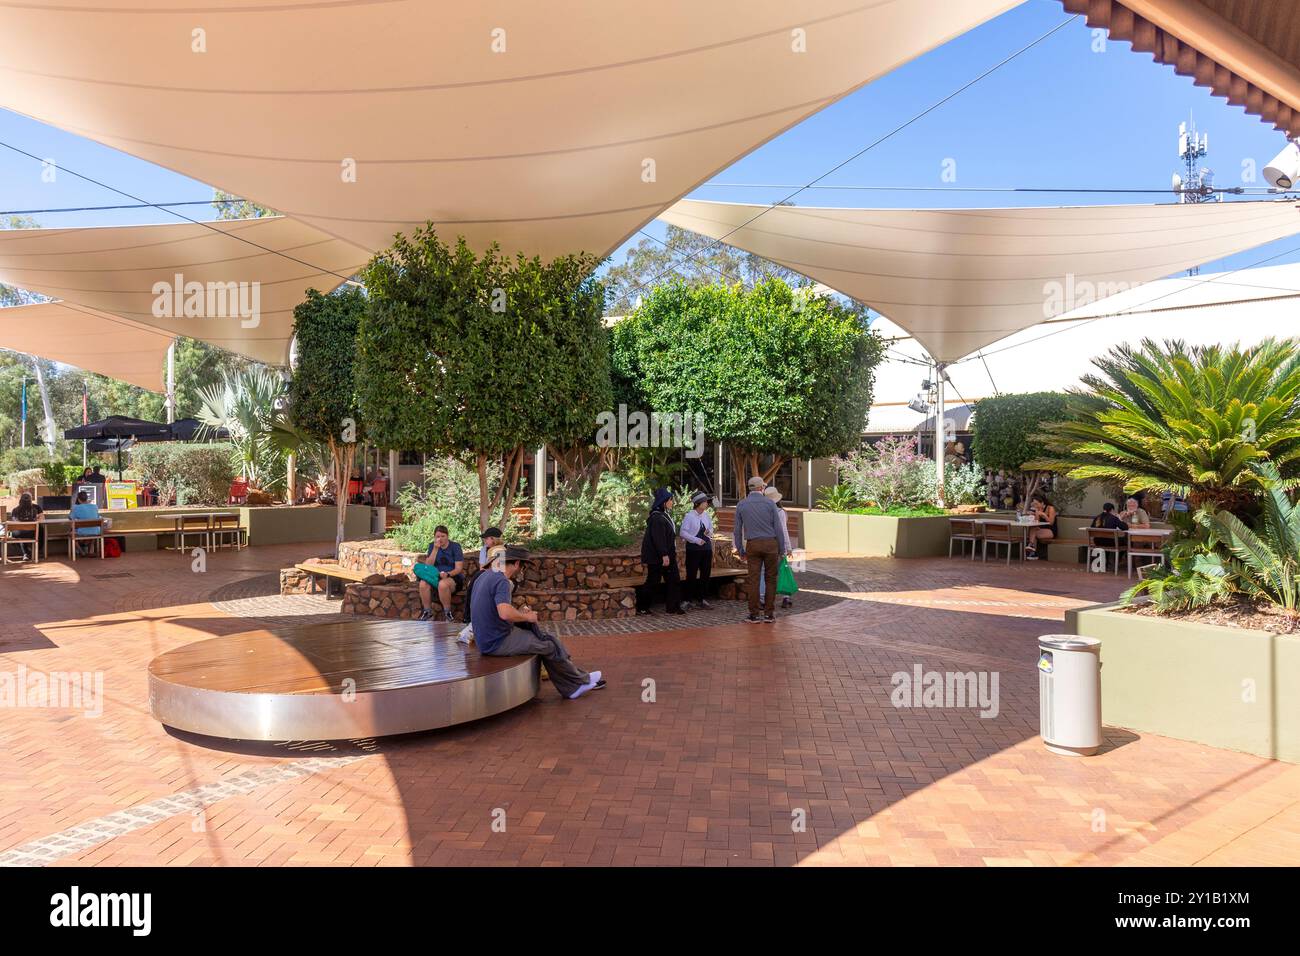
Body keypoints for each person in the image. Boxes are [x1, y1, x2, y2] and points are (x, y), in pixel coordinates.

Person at [470, 545, 605, 699]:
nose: (522, 571)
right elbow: (504, 613)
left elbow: (496, 610)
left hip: (488, 637)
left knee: (546, 639)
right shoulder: (502, 581)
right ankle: (573, 687)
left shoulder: (485, 576)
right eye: (523, 566)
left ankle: (581, 678)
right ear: (516, 564)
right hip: (496, 641)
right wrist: (528, 617)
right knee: (547, 645)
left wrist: (520, 613)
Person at [733, 475, 783, 623]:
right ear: (762, 488)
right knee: (771, 579)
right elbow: (778, 528)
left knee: (754, 580)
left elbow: (737, 530)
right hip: (770, 544)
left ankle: (754, 614)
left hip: (752, 544)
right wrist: (782, 548)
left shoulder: (742, 504)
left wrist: (740, 549)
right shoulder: (770, 504)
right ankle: (769, 614)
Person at [637, 489, 683, 615]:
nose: (672, 502)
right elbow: (658, 538)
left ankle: (673, 607)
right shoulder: (657, 518)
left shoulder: (664, 515)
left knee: (674, 580)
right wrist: (664, 555)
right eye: (670, 500)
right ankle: (642, 607)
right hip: (658, 557)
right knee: (653, 581)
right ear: (664, 502)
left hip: (668, 554)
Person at [412, 525, 465, 622]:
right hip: (435, 576)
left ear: (447, 536)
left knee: (443, 584)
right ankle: (427, 612)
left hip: (452, 577)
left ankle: (447, 614)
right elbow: (429, 565)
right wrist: (435, 549)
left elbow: (458, 568)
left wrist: (448, 574)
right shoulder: (432, 546)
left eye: (443, 536)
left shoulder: (455, 547)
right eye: (437, 536)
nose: (440, 539)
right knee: (423, 584)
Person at [758, 485, 795, 609]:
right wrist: (787, 548)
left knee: (763, 572)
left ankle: (762, 598)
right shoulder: (780, 512)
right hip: (777, 546)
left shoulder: (761, 511)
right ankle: (785, 597)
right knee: (782, 570)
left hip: (763, 544)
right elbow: (784, 531)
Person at [462, 526, 504, 626]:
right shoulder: (484, 550)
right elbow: (482, 568)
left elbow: (501, 568)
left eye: (486, 538)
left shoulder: (503, 549)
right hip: (486, 573)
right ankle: (468, 615)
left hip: (501, 575)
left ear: (493, 539)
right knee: (474, 583)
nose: (484, 540)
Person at [679, 492, 714, 610]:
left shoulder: (706, 515)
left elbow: (711, 528)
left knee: (705, 574)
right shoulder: (689, 516)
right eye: (704, 501)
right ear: (697, 503)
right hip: (693, 549)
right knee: (691, 574)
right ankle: (687, 600)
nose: (706, 503)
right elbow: (683, 532)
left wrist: (709, 532)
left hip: (707, 549)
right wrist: (696, 540)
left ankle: (702, 599)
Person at [6, 492, 43, 561]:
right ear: (31, 500)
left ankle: (26, 553)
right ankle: (36, 551)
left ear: (20, 500)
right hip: (31, 532)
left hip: (18, 533)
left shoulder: (15, 510)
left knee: (19, 533)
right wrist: (35, 520)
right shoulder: (36, 507)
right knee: (40, 529)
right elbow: (42, 518)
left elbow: (15, 522)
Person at [1024, 492, 1057, 561]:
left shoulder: (1050, 508)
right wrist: (1034, 515)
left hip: (1051, 530)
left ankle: (1032, 548)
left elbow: (1051, 522)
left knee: (1033, 533)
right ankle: (1032, 550)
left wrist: (1044, 515)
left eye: (1037, 504)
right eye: (1034, 504)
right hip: (1040, 529)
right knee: (1033, 528)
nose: (1035, 505)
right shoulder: (1037, 509)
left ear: (1042, 503)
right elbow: (1037, 523)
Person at [69, 491, 102, 557]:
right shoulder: (95, 506)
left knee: (70, 533)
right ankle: (90, 551)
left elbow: (70, 518)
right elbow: (98, 517)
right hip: (96, 531)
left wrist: (72, 510)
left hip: (82, 532)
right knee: (93, 530)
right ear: (87, 498)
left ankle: (81, 552)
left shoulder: (76, 507)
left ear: (78, 499)